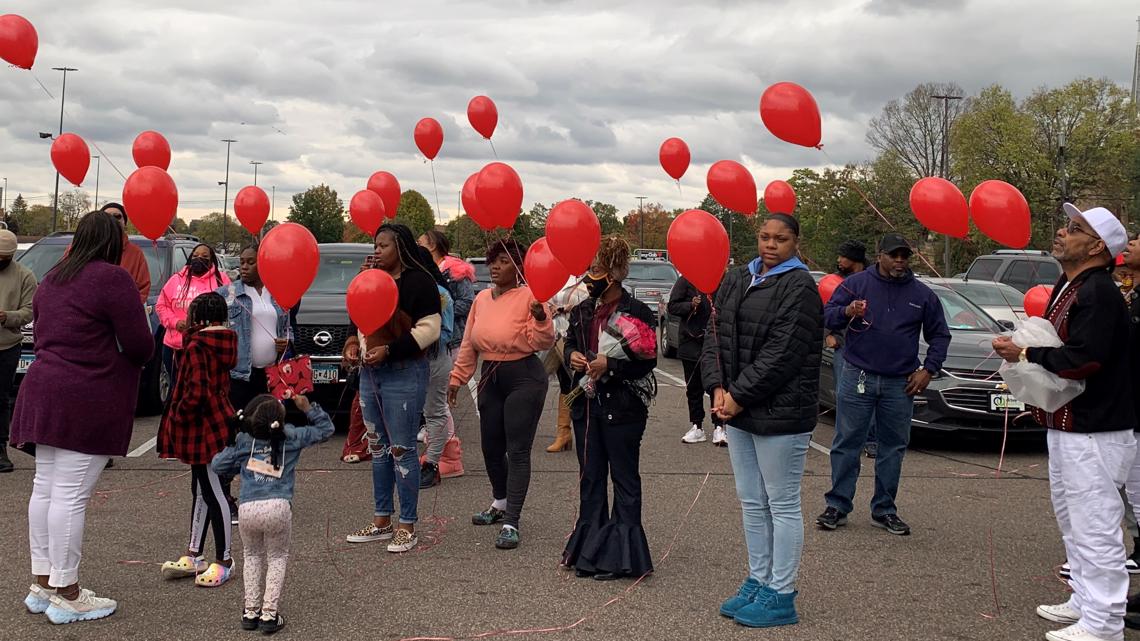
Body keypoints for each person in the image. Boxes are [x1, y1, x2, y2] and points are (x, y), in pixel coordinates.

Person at [993, 204, 1136, 641]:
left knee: (1095, 523)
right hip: (1070, 424)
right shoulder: (1071, 284)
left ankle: (1105, 621)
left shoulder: (1097, 291)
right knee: (1073, 517)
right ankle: (1085, 598)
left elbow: (1084, 359)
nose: (1061, 232)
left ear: (1096, 247)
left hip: (1095, 428)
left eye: (1075, 230)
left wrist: (1025, 354)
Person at [12, 211, 153, 624]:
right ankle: (68, 592)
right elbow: (140, 344)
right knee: (70, 495)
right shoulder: (111, 278)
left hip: (43, 388)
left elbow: (41, 333)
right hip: (87, 395)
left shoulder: (51, 278)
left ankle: (43, 582)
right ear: (113, 242)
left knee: (46, 488)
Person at [701, 214, 822, 627]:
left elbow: (783, 354)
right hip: (737, 408)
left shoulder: (800, 286)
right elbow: (714, 337)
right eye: (765, 237)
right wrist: (717, 386)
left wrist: (737, 396)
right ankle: (758, 578)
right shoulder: (738, 277)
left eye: (781, 239)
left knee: (781, 502)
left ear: (795, 242)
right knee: (752, 501)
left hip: (781, 412)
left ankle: (782, 593)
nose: (771, 245)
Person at [816, 233, 950, 537]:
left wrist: (928, 370)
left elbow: (940, 335)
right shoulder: (857, 284)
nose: (899, 260)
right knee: (847, 442)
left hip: (899, 383)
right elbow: (827, 314)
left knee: (892, 448)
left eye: (904, 255)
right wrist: (848, 311)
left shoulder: (922, 294)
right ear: (880, 255)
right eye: (893, 255)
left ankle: (885, 509)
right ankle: (837, 505)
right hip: (858, 376)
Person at [561, 236, 657, 580]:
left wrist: (611, 366)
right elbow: (570, 341)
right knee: (591, 478)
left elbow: (647, 361)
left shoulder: (638, 312)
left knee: (624, 478)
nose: (589, 278)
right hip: (586, 407)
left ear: (613, 275)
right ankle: (591, 550)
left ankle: (623, 555)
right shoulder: (583, 309)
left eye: (596, 271)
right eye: (588, 270)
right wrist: (571, 354)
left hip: (623, 409)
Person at [448, 238, 554, 550]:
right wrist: (456, 379)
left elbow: (543, 341)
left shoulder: (531, 297)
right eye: (492, 261)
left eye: (503, 261)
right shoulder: (481, 299)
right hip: (490, 376)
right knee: (491, 447)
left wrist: (539, 316)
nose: (494, 266)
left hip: (524, 377)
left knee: (517, 449)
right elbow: (469, 343)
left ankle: (512, 520)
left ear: (519, 267)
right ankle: (500, 502)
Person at [343, 223, 440, 554]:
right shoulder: (369, 279)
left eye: (384, 245)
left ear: (401, 247)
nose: (378, 250)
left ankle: (407, 524)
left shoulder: (419, 282)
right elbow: (357, 318)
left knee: (402, 449)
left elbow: (430, 329)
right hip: (371, 376)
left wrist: (390, 350)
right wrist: (352, 344)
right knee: (378, 448)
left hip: (404, 371)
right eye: (376, 244)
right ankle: (382, 520)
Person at [211, 393, 335, 634]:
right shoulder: (291, 436)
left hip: (248, 508)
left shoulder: (245, 440)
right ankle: (269, 614)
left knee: (252, 556)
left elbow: (217, 465)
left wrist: (233, 445)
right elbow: (326, 429)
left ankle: (250, 611)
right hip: (278, 506)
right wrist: (308, 408)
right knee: (277, 557)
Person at [157, 292, 238, 587]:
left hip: (202, 426)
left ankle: (225, 559)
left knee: (214, 491)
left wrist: (177, 414)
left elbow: (196, 391)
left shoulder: (196, 346)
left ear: (198, 317)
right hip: (218, 419)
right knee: (201, 488)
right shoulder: (224, 341)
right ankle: (195, 554)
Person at [218, 244, 291, 523]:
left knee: (269, 434)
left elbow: (287, 328)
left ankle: (263, 493)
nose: (244, 266)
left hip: (270, 375)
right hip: (240, 376)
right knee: (234, 435)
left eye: (251, 262)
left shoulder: (278, 294)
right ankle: (225, 495)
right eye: (242, 262)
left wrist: (287, 342)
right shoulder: (230, 294)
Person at [826, 240, 876, 458]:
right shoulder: (838, 282)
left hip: (870, 349)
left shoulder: (873, 282)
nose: (838, 260)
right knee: (844, 395)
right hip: (843, 348)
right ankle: (845, 440)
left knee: (869, 394)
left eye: (842, 256)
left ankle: (872, 440)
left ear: (854, 259)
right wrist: (829, 334)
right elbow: (827, 311)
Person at [156, 243, 231, 388]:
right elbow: (161, 306)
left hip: (208, 348)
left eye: (204, 256)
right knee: (177, 388)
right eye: (195, 256)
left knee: (202, 390)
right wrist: (175, 322)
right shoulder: (176, 279)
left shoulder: (221, 280)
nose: (199, 259)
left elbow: (230, 309)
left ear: (212, 259)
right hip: (175, 347)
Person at [415, 245, 456, 489]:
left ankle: (431, 464)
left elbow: (445, 333)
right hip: (408, 361)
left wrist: (415, 338)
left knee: (434, 411)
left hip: (434, 358)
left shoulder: (440, 293)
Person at [668, 274, 724, 446]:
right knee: (694, 388)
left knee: (718, 385)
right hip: (691, 341)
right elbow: (673, 306)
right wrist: (690, 305)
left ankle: (720, 426)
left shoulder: (721, 279)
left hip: (715, 341)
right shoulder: (686, 280)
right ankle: (697, 426)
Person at [0, 229, 36, 473]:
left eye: (4, 258)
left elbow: (30, 310)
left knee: (1, 399)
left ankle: (0, 449)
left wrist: (7, 317)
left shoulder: (25, 276)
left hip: (7, 346)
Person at [546, 275, 590, 452]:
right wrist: (550, 308)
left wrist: (565, 308)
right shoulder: (558, 276)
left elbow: (592, 304)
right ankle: (563, 433)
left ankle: (573, 432)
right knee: (559, 382)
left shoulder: (589, 278)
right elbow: (543, 299)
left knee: (576, 383)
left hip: (577, 338)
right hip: (554, 335)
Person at [99, 202, 151, 303]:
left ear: (125, 222)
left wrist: (126, 310)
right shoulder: (82, 247)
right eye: (107, 216)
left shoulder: (136, 253)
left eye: (117, 216)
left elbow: (143, 289)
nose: (112, 219)